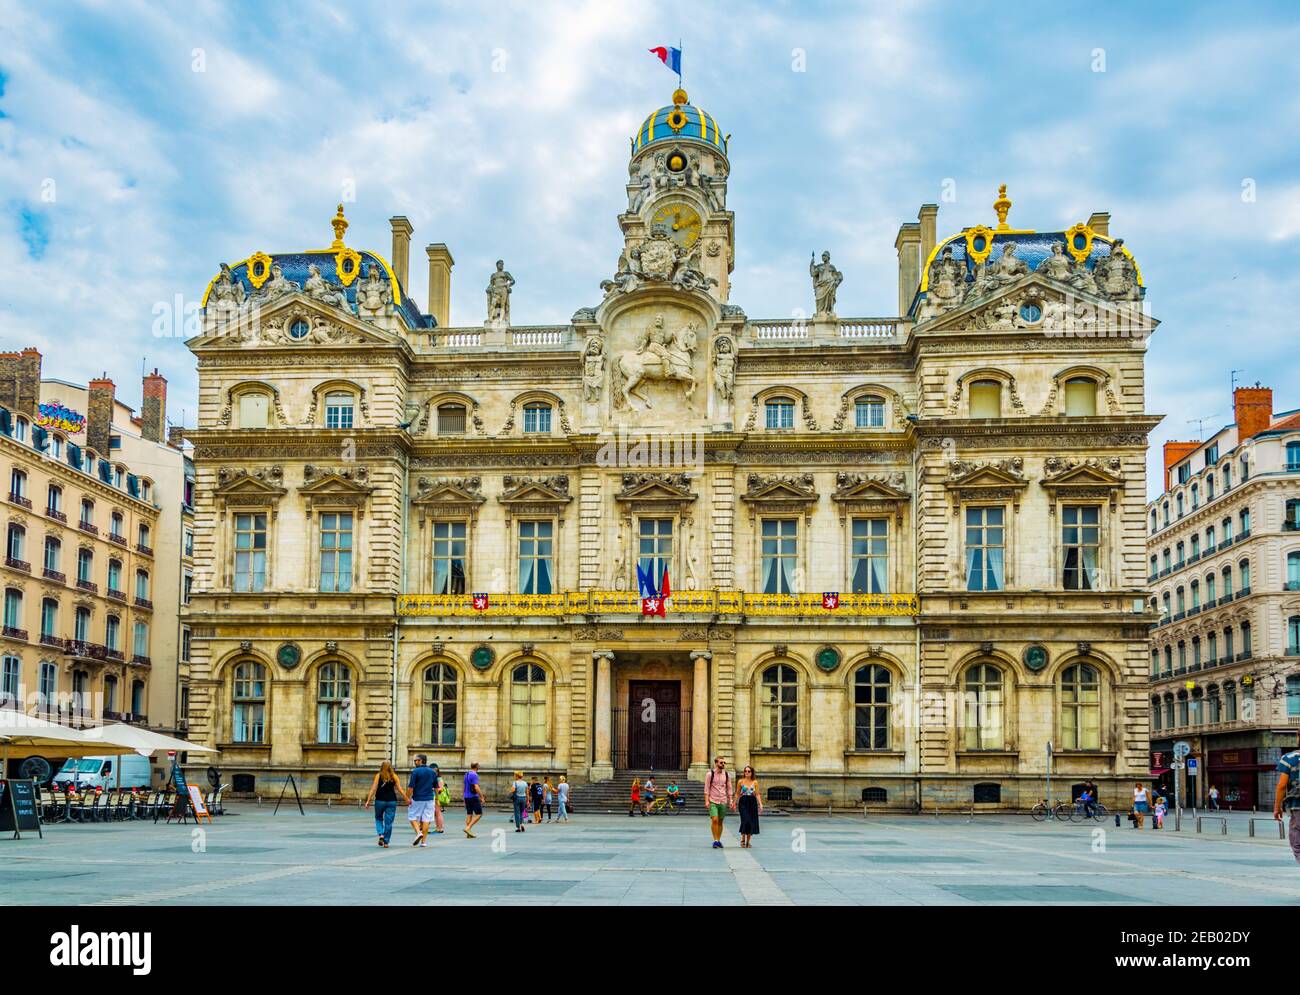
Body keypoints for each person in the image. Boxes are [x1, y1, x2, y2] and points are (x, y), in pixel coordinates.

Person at [362, 761, 409, 848]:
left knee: (378, 818)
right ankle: (386, 842)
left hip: (380, 800)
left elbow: (373, 788)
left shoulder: (378, 775)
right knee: (389, 822)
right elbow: (400, 789)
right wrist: (406, 798)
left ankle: (381, 835)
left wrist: (368, 800)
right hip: (391, 801)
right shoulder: (394, 776)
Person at [1272, 733, 1300, 863]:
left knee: (1297, 842)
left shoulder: (1289, 758)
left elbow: (1282, 785)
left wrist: (1277, 808)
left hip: (1297, 808)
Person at [406, 755, 437, 847]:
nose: (415, 762)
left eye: (416, 760)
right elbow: (436, 787)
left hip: (418, 798)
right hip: (430, 798)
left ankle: (418, 832)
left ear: (420, 761)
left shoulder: (415, 771)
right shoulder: (432, 772)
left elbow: (411, 787)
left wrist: (407, 797)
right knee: (426, 819)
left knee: (412, 816)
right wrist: (437, 799)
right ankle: (423, 842)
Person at [705, 756, 733, 848]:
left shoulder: (727, 775)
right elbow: (707, 788)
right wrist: (706, 801)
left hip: (723, 801)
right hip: (713, 800)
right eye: (721, 762)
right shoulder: (710, 774)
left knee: (720, 821)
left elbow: (729, 788)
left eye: (724, 763)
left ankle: (718, 840)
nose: (723, 764)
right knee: (715, 819)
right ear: (716, 763)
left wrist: (731, 800)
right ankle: (715, 840)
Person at [734, 765, 761, 848]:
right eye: (745, 771)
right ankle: (742, 839)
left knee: (751, 822)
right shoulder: (740, 781)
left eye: (749, 771)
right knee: (746, 820)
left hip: (752, 802)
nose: (747, 773)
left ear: (752, 773)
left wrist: (760, 804)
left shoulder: (755, 782)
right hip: (743, 802)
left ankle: (748, 842)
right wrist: (734, 803)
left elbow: (757, 794)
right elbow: (737, 793)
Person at [463, 761, 485, 838]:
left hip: (466, 796)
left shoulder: (466, 774)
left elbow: (465, 786)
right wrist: (482, 797)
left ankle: (468, 833)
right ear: (477, 767)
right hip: (473, 797)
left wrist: (464, 797)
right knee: (479, 814)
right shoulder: (474, 775)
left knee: (469, 814)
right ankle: (468, 828)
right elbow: (476, 787)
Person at [430, 763, 447, 834]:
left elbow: (440, 789)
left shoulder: (439, 779)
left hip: (437, 797)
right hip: (434, 797)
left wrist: (432, 789)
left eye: (435, 771)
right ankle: (438, 828)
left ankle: (440, 828)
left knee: (438, 813)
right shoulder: (435, 778)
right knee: (436, 813)